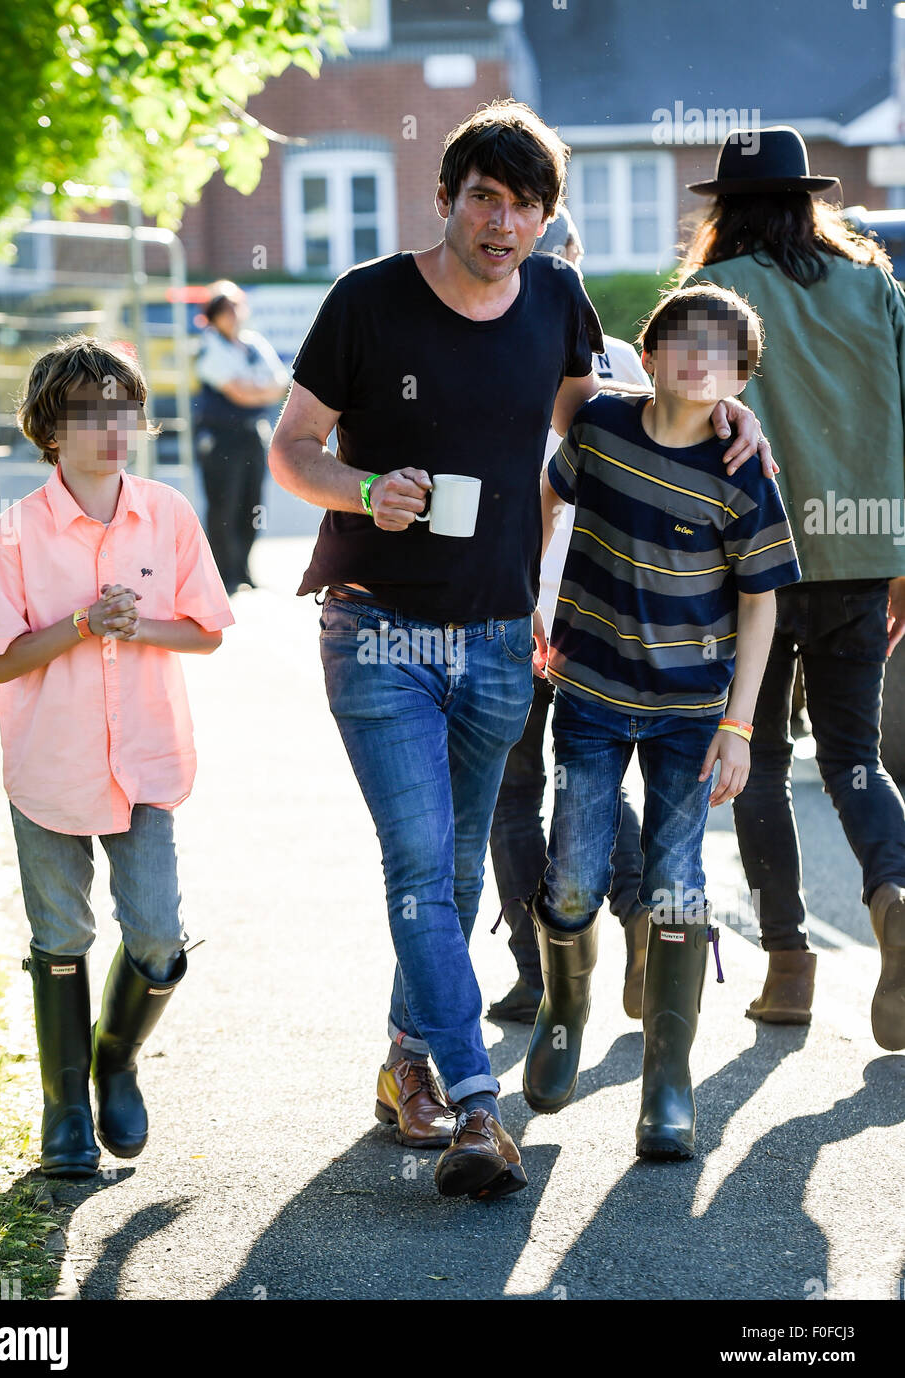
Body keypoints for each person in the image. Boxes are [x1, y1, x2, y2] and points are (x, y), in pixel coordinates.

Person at [269, 101, 769, 1200]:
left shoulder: (554, 294)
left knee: (447, 872)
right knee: (418, 868)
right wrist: (364, 489)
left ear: (548, 216)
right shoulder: (366, 302)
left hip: (498, 632)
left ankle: (407, 1061)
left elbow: (601, 432)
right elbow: (290, 448)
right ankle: (475, 1104)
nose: (504, 222)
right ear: (446, 198)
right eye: (485, 198)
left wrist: (723, 410)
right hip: (377, 626)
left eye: (527, 204)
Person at [530, 283, 801, 1160]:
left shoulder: (743, 473)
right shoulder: (602, 429)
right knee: (573, 875)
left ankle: (668, 1083)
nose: (697, 361)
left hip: (692, 712)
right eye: (681, 342)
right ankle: (565, 1008)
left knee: (677, 879)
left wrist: (741, 727)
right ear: (646, 354)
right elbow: (550, 492)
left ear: (742, 378)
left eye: (719, 352)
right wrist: (530, 590)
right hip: (592, 694)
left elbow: (762, 604)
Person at [0, 336, 234, 1179]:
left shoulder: (167, 512)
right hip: (50, 762)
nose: (113, 427)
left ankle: (113, 1058)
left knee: (158, 937)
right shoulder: (17, 532)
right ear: (52, 429)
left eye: (123, 409)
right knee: (60, 936)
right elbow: (0, 659)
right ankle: (65, 1113)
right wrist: (81, 625)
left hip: (147, 759)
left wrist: (134, 624)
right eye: (91, 412)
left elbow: (205, 633)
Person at [681, 126, 905, 1047]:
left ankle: (789, 968)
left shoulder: (715, 294)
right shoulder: (874, 287)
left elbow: (683, 426)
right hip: (863, 554)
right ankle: (893, 894)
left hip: (753, 563)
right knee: (856, 755)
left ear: (724, 210)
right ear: (810, 202)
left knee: (760, 759)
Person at [488, 206, 651, 1026]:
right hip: (598, 608)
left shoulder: (483, 346)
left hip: (511, 603)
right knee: (589, 780)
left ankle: (535, 970)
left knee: (512, 790)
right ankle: (639, 926)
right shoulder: (622, 363)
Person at [193, 281, 289, 594]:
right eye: (225, 309)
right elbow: (239, 393)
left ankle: (244, 569)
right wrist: (258, 391)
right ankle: (224, 574)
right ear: (213, 315)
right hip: (221, 438)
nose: (233, 315)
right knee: (224, 505)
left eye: (236, 307)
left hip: (252, 434)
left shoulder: (254, 344)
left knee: (251, 504)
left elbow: (280, 384)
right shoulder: (209, 346)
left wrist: (255, 391)